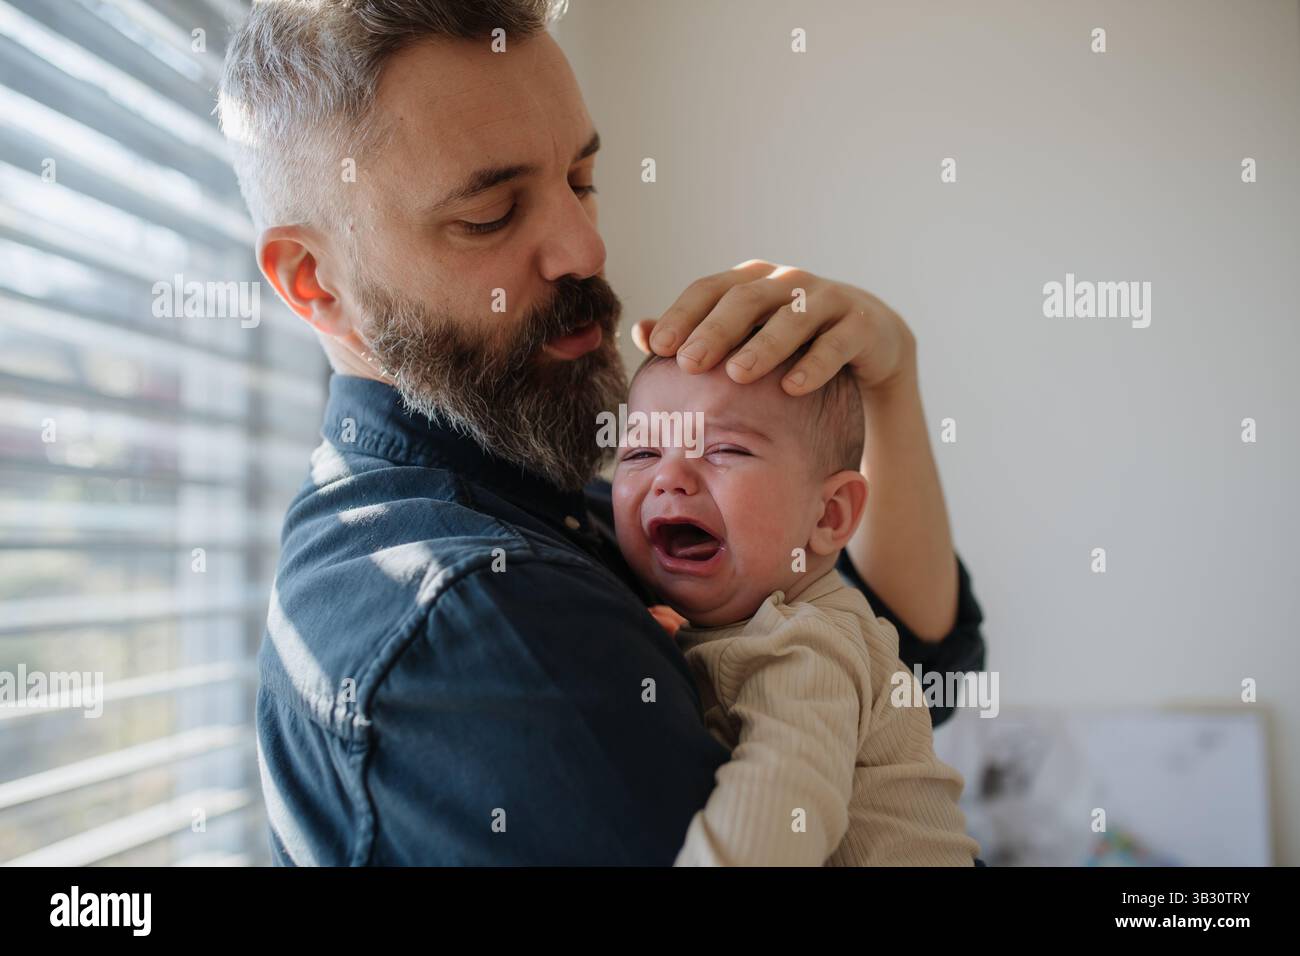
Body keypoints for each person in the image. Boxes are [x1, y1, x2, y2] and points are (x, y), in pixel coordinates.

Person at [218, 0, 987, 864]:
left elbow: (912, 670)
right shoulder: (480, 612)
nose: (584, 247)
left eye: (582, 181)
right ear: (314, 279)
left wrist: (890, 379)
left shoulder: (572, 505)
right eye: (492, 215)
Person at [614, 349, 980, 865]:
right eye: (639, 455)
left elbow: (774, 817)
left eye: (723, 450)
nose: (668, 477)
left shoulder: (811, 643)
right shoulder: (737, 623)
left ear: (828, 514)